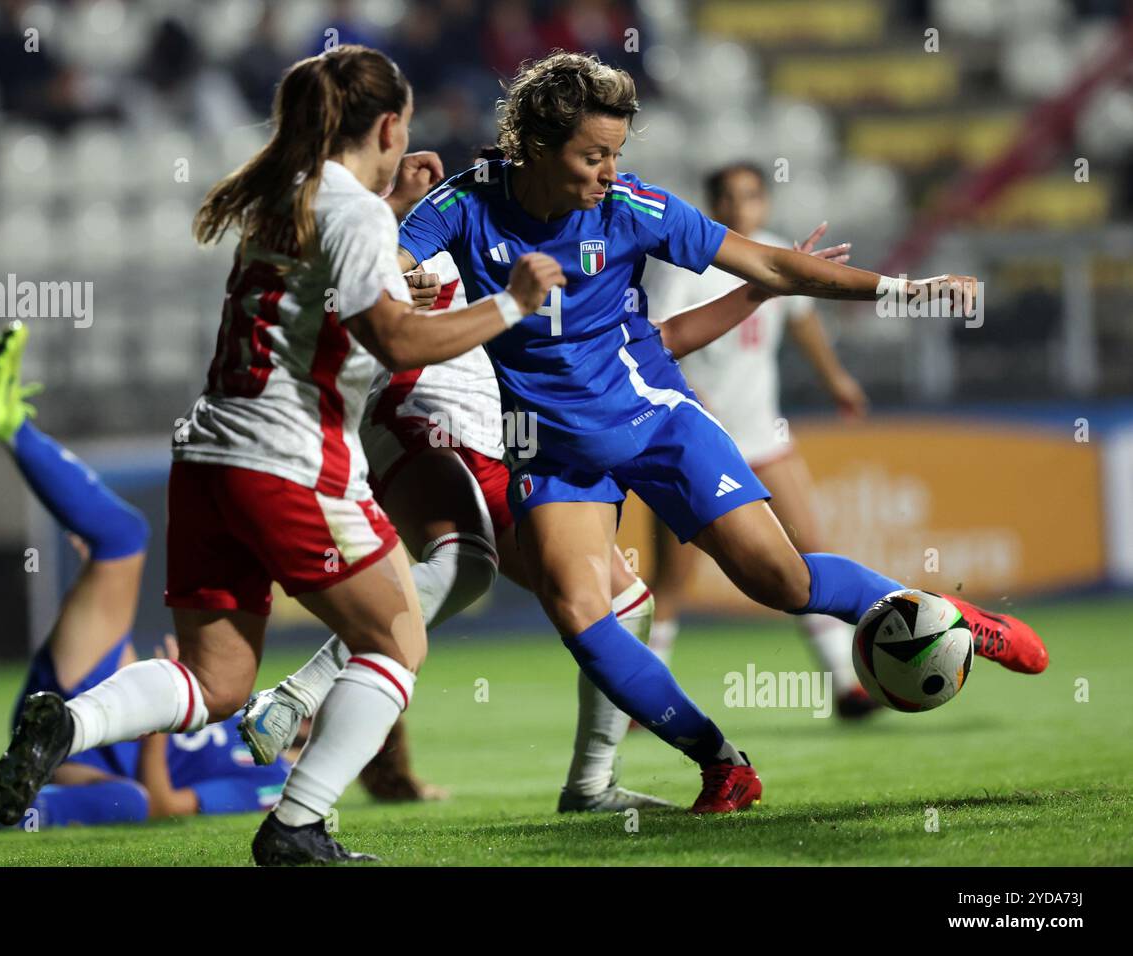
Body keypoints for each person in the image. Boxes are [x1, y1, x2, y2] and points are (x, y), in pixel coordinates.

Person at [391, 51, 1048, 815]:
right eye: (592, 155)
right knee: (577, 611)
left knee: (783, 584)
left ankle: (958, 617)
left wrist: (908, 292)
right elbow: (384, 266)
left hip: (656, 422)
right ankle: (721, 764)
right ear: (537, 146)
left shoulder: (632, 208)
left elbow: (770, 266)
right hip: (551, 447)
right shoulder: (463, 203)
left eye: (616, 155)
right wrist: (392, 279)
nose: (608, 171)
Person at [0, 45, 565, 865]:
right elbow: (394, 342)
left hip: (208, 456)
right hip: (290, 459)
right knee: (397, 641)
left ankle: (69, 721)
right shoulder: (354, 215)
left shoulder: (282, 202)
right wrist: (511, 303)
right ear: (392, 125)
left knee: (216, 682)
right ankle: (297, 827)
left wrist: (397, 216)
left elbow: (336, 307)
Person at [242, 147, 854, 811]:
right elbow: (342, 291)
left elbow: (656, 336)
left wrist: (759, 289)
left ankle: (590, 786)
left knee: (623, 602)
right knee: (464, 562)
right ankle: (296, 698)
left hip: (505, 430)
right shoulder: (440, 214)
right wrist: (392, 230)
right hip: (417, 403)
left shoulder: (575, 236)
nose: (589, 182)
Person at [0, 321, 290, 830]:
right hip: (91, 687)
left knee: (131, 804)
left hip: (84, 763)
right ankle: (9, 424)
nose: (306, 699)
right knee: (118, 541)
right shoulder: (244, 698)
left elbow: (165, 803)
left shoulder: (268, 781)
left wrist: (162, 712)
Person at [643, 162, 877, 718]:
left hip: (765, 435)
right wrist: (694, 398)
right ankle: (644, 697)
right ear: (712, 202)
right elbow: (657, 344)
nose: (740, 206)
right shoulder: (687, 262)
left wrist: (836, 379)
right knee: (672, 580)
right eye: (728, 196)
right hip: (695, 441)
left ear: (764, 203)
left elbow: (801, 320)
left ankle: (846, 685)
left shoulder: (775, 253)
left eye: (750, 195)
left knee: (812, 555)